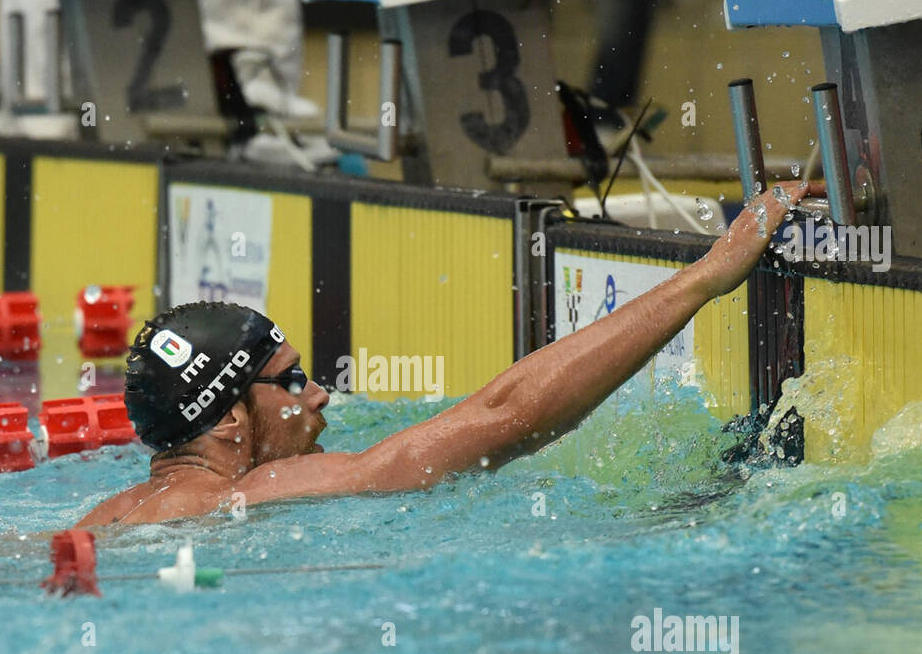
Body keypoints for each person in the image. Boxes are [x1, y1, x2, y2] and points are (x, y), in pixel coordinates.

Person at [77, 182, 822, 527]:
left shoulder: (99, 523)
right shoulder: (249, 498)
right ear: (229, 419)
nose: (320, 395)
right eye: (290, 381)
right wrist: (706, 276)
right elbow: (507, 417)